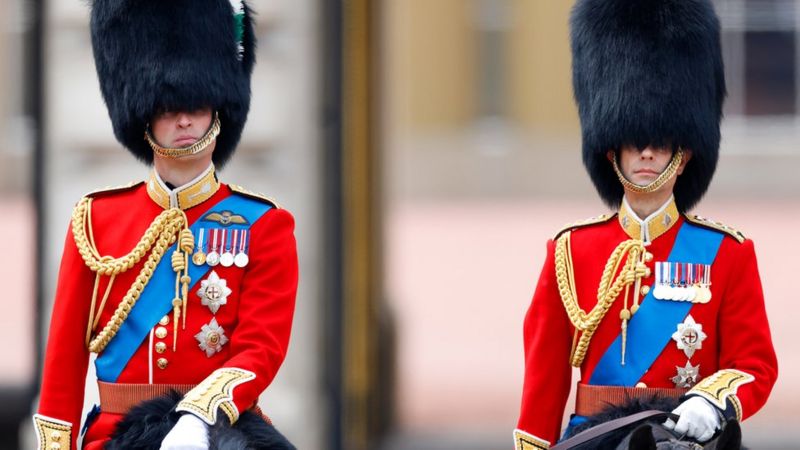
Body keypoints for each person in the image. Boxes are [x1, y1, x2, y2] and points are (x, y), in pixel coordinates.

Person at [32, 1, 299, 449]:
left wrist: (200, 416)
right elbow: (63, 363)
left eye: (196, 104)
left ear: (217, 107)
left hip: (217, 430)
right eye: (168, 106)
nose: (183, 119)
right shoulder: (95, 221)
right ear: (144, 113)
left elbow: (261, 349)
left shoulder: (263, 225)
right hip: (115, 435)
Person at [513, 0, 778, 448]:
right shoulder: (570, 251)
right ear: (612, 150)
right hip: (595, 439)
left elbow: (756, 364)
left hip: (685, 437)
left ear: (685, 153)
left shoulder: (727, 253)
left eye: (660, 142)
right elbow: (544, 380)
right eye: (634, 142)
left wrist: (711, 402)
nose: (647, 153)